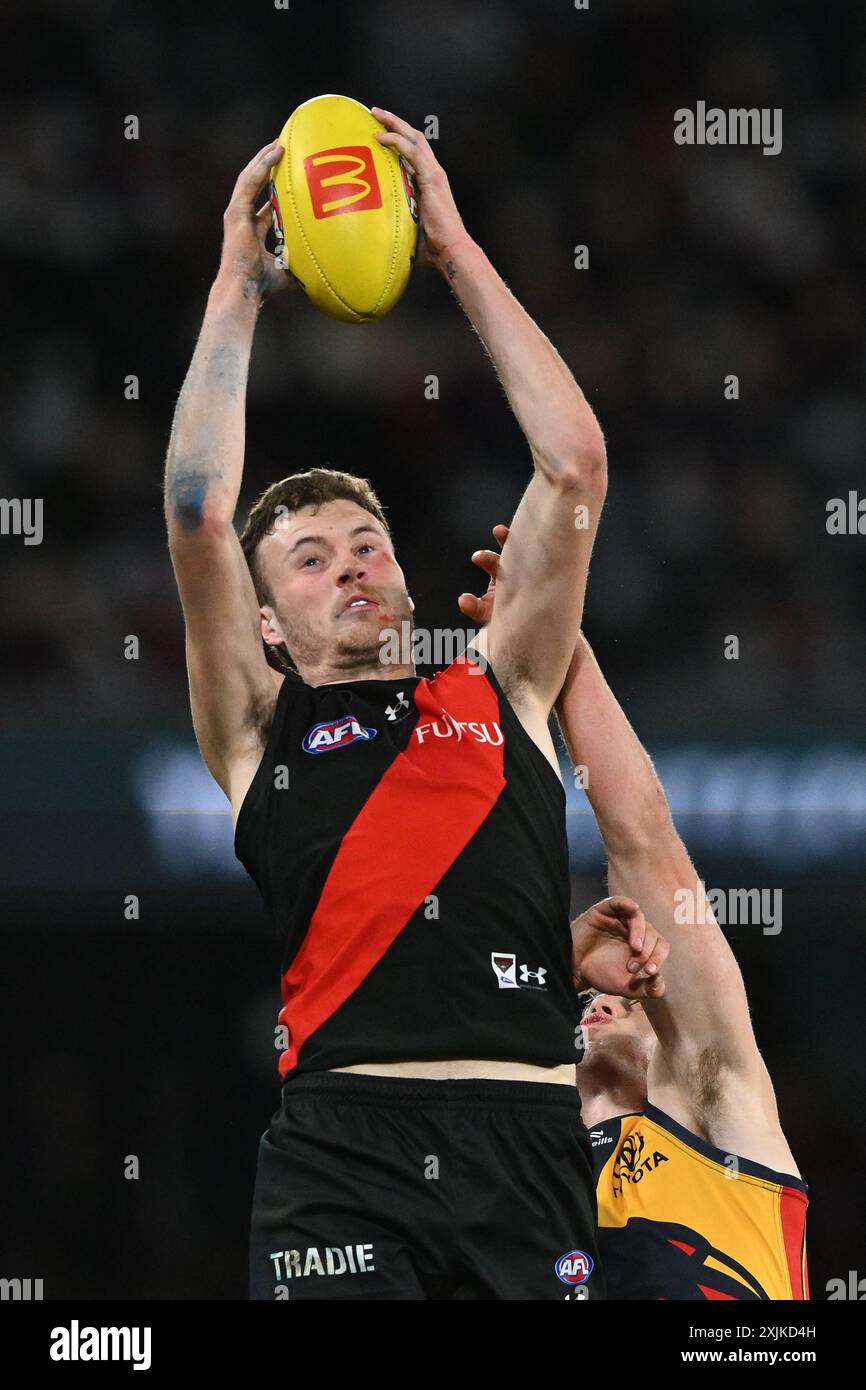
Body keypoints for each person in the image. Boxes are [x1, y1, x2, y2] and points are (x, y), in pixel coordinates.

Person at [164, 110, 621, 1300]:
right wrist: (236, 285)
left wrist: (454, 250)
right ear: (267, 625)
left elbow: (572, 463)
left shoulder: (505, 682)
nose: (350, 564)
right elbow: (201, 514)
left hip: (527, 1148)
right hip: (340, 1149)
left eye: (363, 543)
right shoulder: (256, 732)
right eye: (309, 559)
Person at [463, 526, 809, 1301]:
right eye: (586, 996)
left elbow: (644, 838)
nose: (601, 1002)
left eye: (620, 998)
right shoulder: (508, 1163)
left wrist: (559, 642)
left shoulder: (716, 1102)